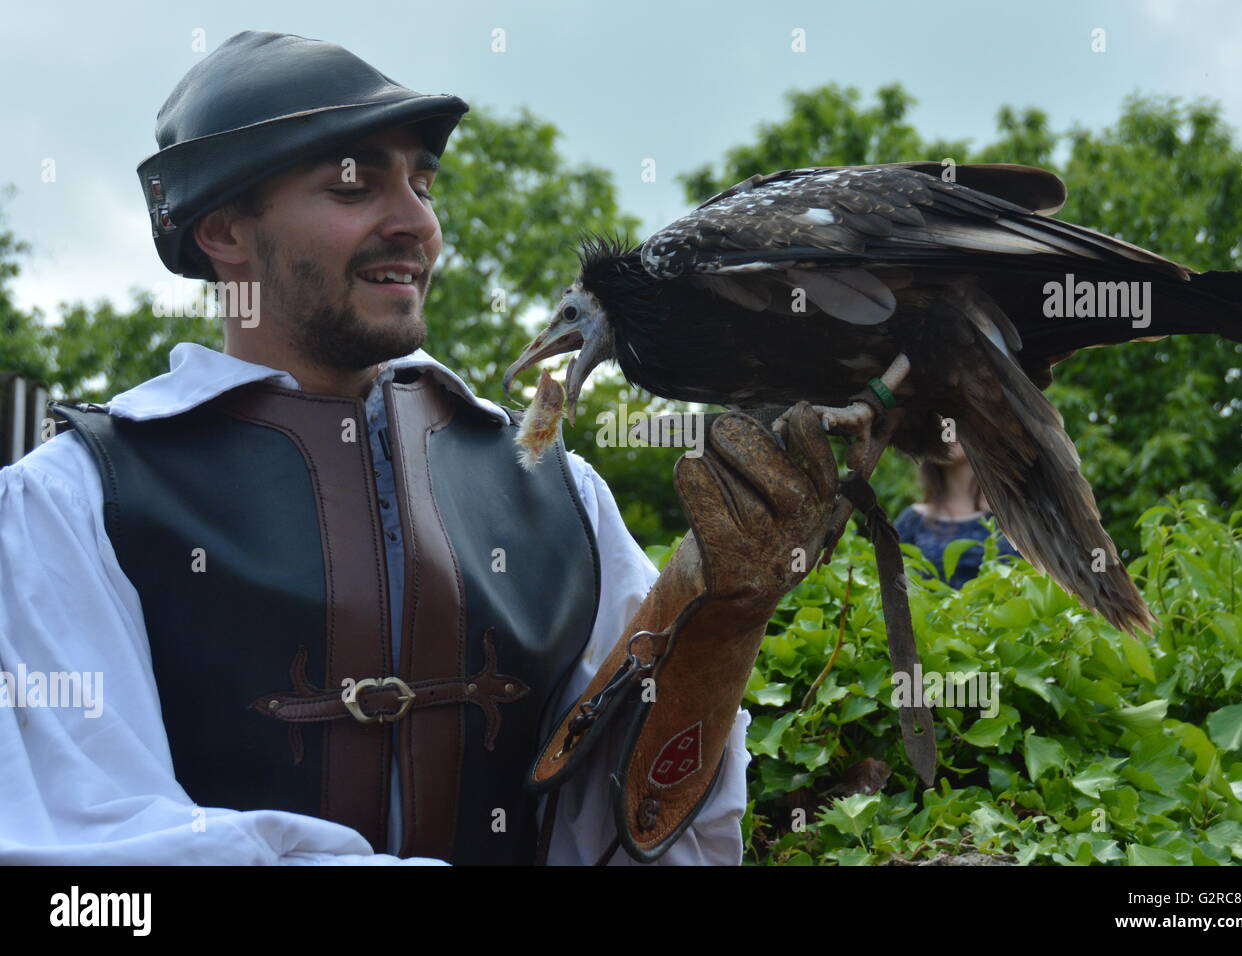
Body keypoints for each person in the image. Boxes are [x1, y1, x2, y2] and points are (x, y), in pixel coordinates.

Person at [0, 31, 839, 865]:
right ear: (223, 230)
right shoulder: (74, 501)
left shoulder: (556, 491)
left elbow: (635, 836)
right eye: (354, 185)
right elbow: (88, 843)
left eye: (423, 184)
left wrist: (717, 633)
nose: (418, 224)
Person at [894, 440, 1019, 589]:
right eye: (938, 419)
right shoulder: (912, 521)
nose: (947, 429)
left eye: (954, 419)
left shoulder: (1018, 514)